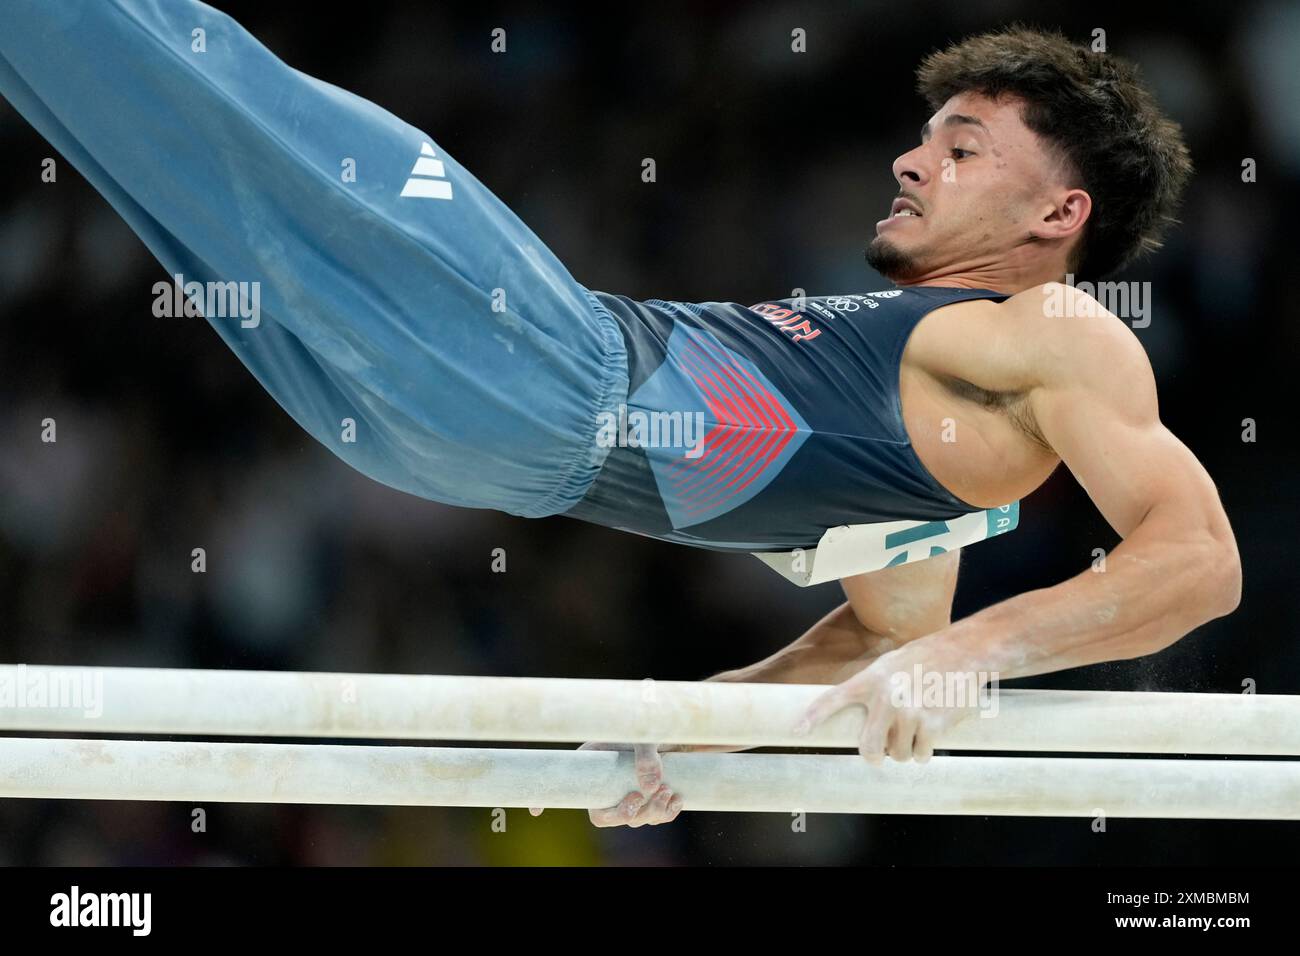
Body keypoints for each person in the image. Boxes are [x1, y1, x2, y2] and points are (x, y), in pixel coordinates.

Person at [0, 4, 1240, 829]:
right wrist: (708, 743)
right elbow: (868, 646)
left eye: (961, 148)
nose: (913, 163)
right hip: (450, 437)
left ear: (1057, 218)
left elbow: (1196, 560)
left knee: (204, 76)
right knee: (142, 138)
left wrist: (965, 655)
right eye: (923, 139)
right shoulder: (942, 471)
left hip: (534, 368)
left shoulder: (1061, 332)